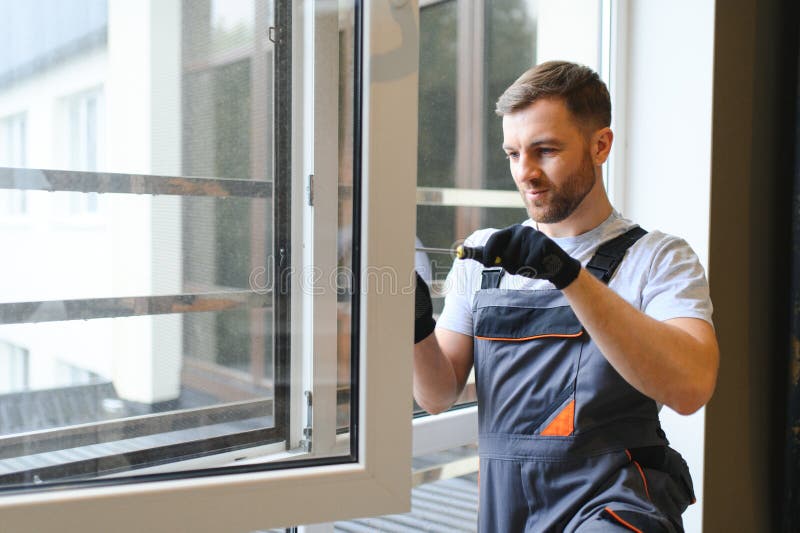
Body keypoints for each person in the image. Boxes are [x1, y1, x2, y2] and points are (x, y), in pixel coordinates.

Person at [413, 61, 719, 532]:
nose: (525, 173)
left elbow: (692, 388)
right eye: (513, 154)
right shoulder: (483, 259)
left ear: (601, 145)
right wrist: (414, 327)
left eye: (545, 150)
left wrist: (568, 275)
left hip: (615, 505)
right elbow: (437, 394)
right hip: (507, 508)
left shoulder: (658, 258)